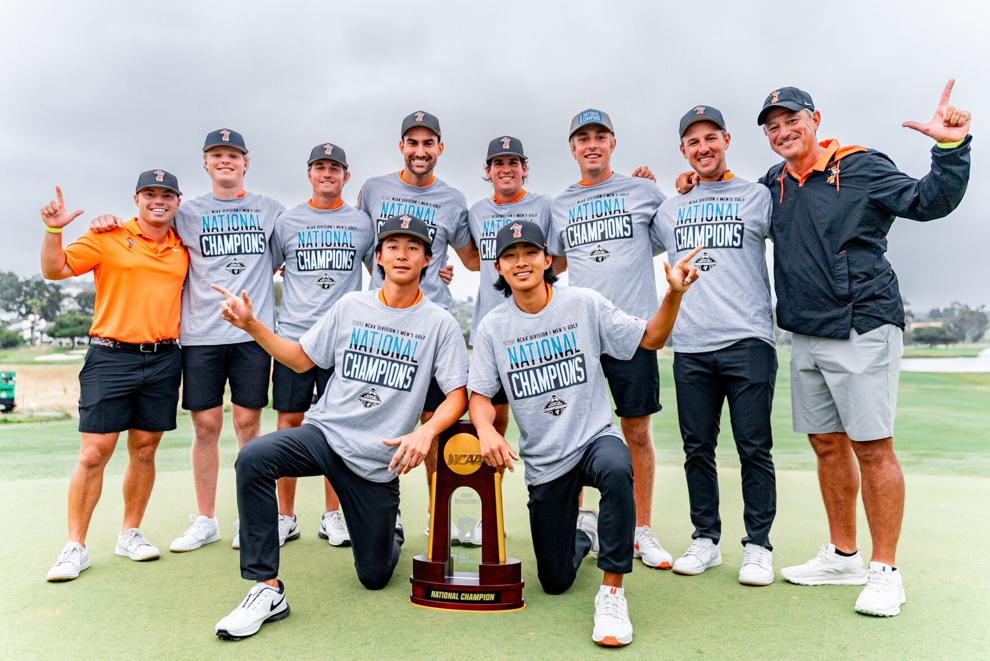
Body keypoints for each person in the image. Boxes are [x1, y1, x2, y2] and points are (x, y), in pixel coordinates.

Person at [677, 81, 972, 616]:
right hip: (806, 331)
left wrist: (950, 148)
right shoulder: (775, 183)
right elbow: (726, 194)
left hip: (862, 322)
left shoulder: (859, 166)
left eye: (792, 120)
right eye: (772, 126)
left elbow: (929, 201)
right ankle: (843, 554)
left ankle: (885, 571)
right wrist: (690, 184)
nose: (783, 131)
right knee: (828, 445)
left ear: (815, 120)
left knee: (872, 446)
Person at [211, 214, 468, 640]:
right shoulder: (351, 306)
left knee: (374, 575)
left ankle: (391, 532)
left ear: (427, 258)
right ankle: (266, 588)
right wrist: (252, 325)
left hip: (376, 460)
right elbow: (299, 359)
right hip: (326, 436)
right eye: (393, 246)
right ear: (379, 257)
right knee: (254, 458)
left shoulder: (438, 323)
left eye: (413, 247)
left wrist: (426, 432)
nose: (402, 254)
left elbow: (457, 393)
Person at [469, 221, 701, 647]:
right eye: (511, 256)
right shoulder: (492, 327)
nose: (521, 262)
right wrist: (485, 429)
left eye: (530, 252)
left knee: (617, 468)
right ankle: (585, 531)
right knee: (554, 580)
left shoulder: (584, 304)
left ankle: (612, 592)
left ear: (547, 260)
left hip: (594, 438)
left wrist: (674, 293)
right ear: (498, 268)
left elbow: (651, 337)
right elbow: (480, 394)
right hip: (545, 461)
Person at [89, 129, 287, 551]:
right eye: (217, 155)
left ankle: (250, 520)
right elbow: (146, 224)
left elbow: (294, 259)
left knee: (248, 424)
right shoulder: (186, 212)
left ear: (246, 162)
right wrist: (106, 221)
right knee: (206, 425)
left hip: (252, 334)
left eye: (233, 155)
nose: (225, 161)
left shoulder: (271, 210)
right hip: (200, 337)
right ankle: (206, 519)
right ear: (206, 162)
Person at [40, 171, 189, 581]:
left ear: (178, 201)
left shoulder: (183, 245)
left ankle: (130, 533)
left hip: (163, 358)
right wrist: (54, 229)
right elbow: (55, 270)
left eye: (167, 195)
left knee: (144, 449)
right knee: (93, 453)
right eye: (150, 194)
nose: (158, 201)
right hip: (110, 355)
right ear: (137, 199)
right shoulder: (106, 236)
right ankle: (75, 546)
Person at [651, 106, 777, 585]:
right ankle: (706, 539)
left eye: (711, 138)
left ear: (726, 139)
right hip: (691, 343)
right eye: (692, 142)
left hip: (748, 339)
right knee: (697, 448)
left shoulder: (756, 196)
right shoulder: (670, 208)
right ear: (683, 151)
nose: (702, 148)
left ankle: (758, 546)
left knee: (753, 448)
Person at [549, 109, 672, 569]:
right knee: (575, 431)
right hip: (579, 335)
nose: (592, 144)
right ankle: (582, 519)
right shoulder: (559, 204)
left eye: (600, 136)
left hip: (633, 331)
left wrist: (681, 185)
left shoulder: (643, 191)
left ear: (613, 143)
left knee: (636, 432)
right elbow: (552, 264)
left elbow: (672, 232)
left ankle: (640, 528)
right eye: (583, 138)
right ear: (573, 148)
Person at [355, 110, 478, 526]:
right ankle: (378, 515)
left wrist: (445, 271)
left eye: (429, 143)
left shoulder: (454, 199)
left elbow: (472, 259)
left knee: (434, 423)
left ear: (440, 148)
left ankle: (437, 514)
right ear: (401, 147)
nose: (420, 151)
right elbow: (362, 248)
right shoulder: (373, 190)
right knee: (373, 417)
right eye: (413, 143)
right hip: (379, 327)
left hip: (432, 325)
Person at [269, 143, 377, 548]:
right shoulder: (287, 221)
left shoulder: (362, 222)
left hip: (345, 343)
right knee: (289, 424)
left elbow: (379, 270)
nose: (327, 173)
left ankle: (334, 516)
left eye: (335, 168)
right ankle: (285, 517)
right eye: (319, 167)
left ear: (346, 176)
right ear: (309, 174)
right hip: (296, 337)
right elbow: (272, 267)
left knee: (339, 429)